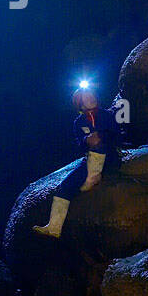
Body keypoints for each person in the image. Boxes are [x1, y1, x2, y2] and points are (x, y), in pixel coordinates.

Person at [33, 87, 120, 238]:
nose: (90, 98)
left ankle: (94, 175)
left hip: (109, 157)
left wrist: (101, 137)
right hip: (91, 159)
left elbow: (118, 136)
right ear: (80, 105)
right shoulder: (79, 122)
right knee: (66, 185)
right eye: (85, 98)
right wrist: (87, 140)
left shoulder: (108, 115)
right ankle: (53, 227)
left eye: (91, 95)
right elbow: (79, 145)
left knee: (100, 148)